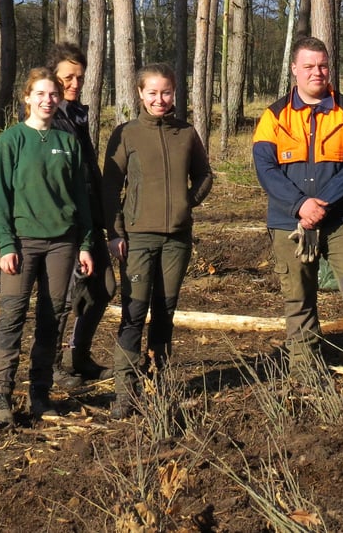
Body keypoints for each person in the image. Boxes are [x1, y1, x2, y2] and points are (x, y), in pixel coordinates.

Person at [252, 36, 343, 374]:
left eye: (323, 65)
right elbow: (265, 169)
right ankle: (305, 365)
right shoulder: (274, 116)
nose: (318, 72)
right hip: (289, 220)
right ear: (295, 70)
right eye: (310, 66)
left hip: (342, 218)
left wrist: (321, 204)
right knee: (297, 294)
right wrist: (300, 205)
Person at [101, 63, 213, 418]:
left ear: (175, 92)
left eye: (165, 92)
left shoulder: (187, 133)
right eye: (152, 92)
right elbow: (109, 188)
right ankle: (126, 390)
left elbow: (204, 176)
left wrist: (187, 202)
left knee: (165, 311)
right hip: (137, 237)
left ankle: (161, 381)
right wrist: (115, 232)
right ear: (140, 94)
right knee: (134, 311)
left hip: (177, 239)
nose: (159, 99)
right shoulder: (126, 134)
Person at [0, 68, 95, 424]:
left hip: (62, 243)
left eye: (53, 95)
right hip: (22, 244)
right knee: (12, 317)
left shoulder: (69, 143)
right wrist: (6, 244)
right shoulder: (11, 141)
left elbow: (82, 198)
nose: (48, 100)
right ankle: (0, 394)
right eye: (41, 94)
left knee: (53, 319)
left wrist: (86, 242)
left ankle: (40, 394)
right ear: (27, 98)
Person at [47, 43, 113, 384]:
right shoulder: (47, 120)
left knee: (104, 288)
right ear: (53, 78)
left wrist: (104, 217)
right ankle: (52, 365)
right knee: (65, 294)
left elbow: (89, 170)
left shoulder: (77, 115)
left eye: (80, 77)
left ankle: (79, 355)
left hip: (89, 219)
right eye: (68, 77)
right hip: (64, 223)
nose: (75, 83)